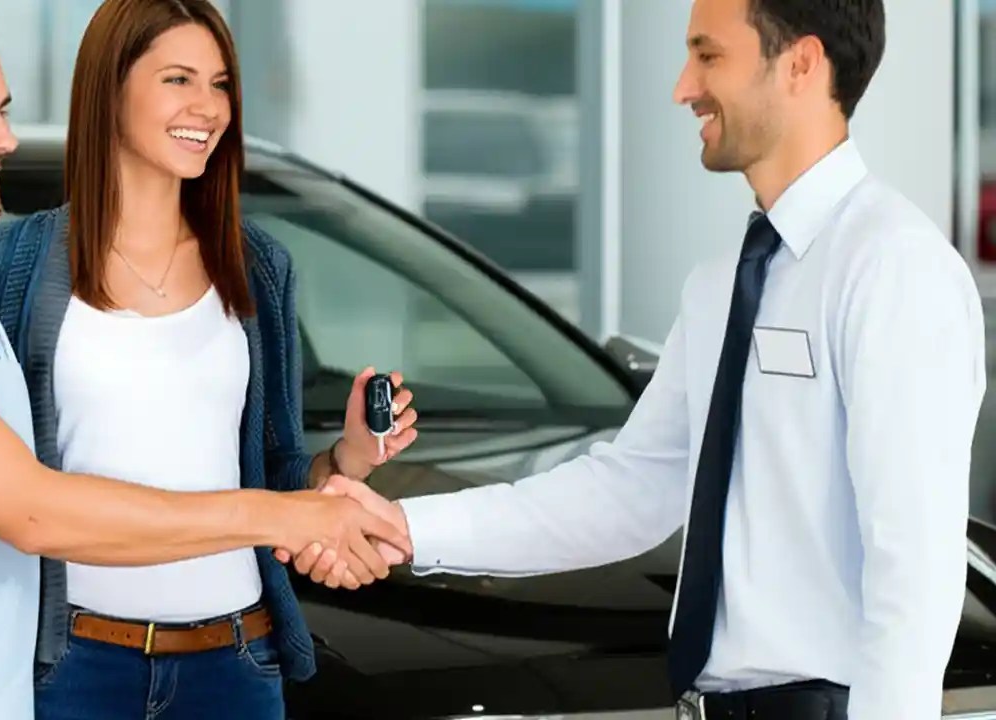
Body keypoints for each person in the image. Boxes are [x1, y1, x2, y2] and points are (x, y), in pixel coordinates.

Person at [287, 1, 988, 718]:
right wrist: (406, 528)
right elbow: (632, 490)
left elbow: (916, 573)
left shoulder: (894, 269)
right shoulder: (723, 283)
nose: (683, 86)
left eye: (708, 56)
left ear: (801, 64)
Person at [0, 1, 409, 718]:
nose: (5, 139)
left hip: (84, 680)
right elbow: (32, 512)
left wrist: (332, 479)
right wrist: (280, 518)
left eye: (1, 110)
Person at [0, 0, 419, 718]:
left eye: (221, 84)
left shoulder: (258, 267)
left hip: (234, 667)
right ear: (110, 88)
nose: (207, 107)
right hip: (72, 666)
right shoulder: (9, 262)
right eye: (179, 79)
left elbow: (275, 481)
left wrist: (350, 459)